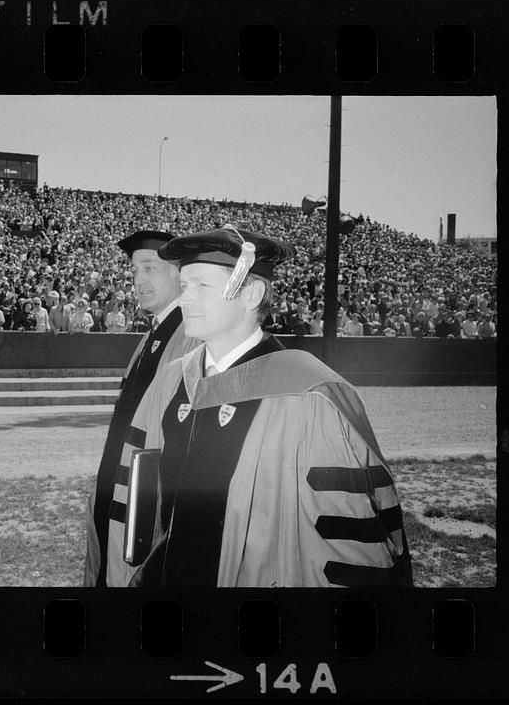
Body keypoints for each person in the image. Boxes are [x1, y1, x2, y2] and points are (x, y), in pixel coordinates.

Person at [120, 227, 411, 587]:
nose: (186, 300)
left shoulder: (308, 397)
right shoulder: (173, 380)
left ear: (251, 294)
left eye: (202, 287)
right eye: (184, 287)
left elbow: (346, 546)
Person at [84, 230, 199, 587]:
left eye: (149, 268)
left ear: (179, 274)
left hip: (149, 507)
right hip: (122, 494)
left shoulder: (190, 338)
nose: (137, 280)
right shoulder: (152, 337)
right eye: (134, 271)